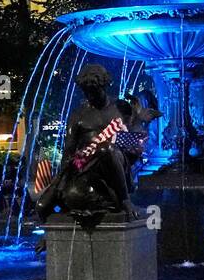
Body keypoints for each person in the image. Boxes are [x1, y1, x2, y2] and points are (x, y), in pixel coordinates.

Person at [32, 64, 139, 223]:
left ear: (104, 86)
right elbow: (69, 151)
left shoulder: (120, 108)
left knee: (106, 149)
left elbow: (134, 138)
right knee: (42, 206)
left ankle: (125, 200)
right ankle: (51, 233)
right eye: (86, 92)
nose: (90, 96)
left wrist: (134, 147)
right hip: (87, 164)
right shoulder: (78, 115)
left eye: (94, 92)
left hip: (115, 160)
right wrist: (61, 179)